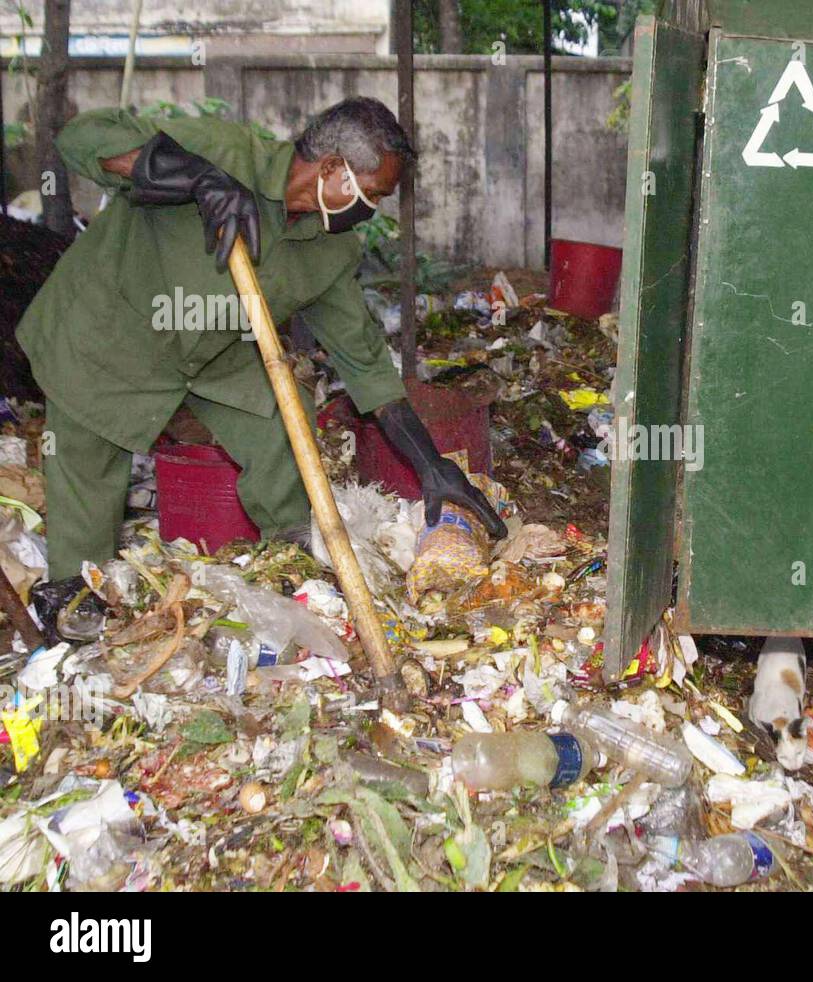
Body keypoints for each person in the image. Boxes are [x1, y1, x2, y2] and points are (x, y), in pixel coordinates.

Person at [18, 96, 506, 634]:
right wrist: (198, 178)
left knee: (281, 424)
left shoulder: (329, 247)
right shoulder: (225, 152)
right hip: (105, 335)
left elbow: (364, 360)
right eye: (371, 194)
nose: (373, 209)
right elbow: (84, 136)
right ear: (330, 170)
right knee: (87, 491)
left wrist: (432, 465)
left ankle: (292, 561)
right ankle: (72, 619)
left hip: (210, 353)